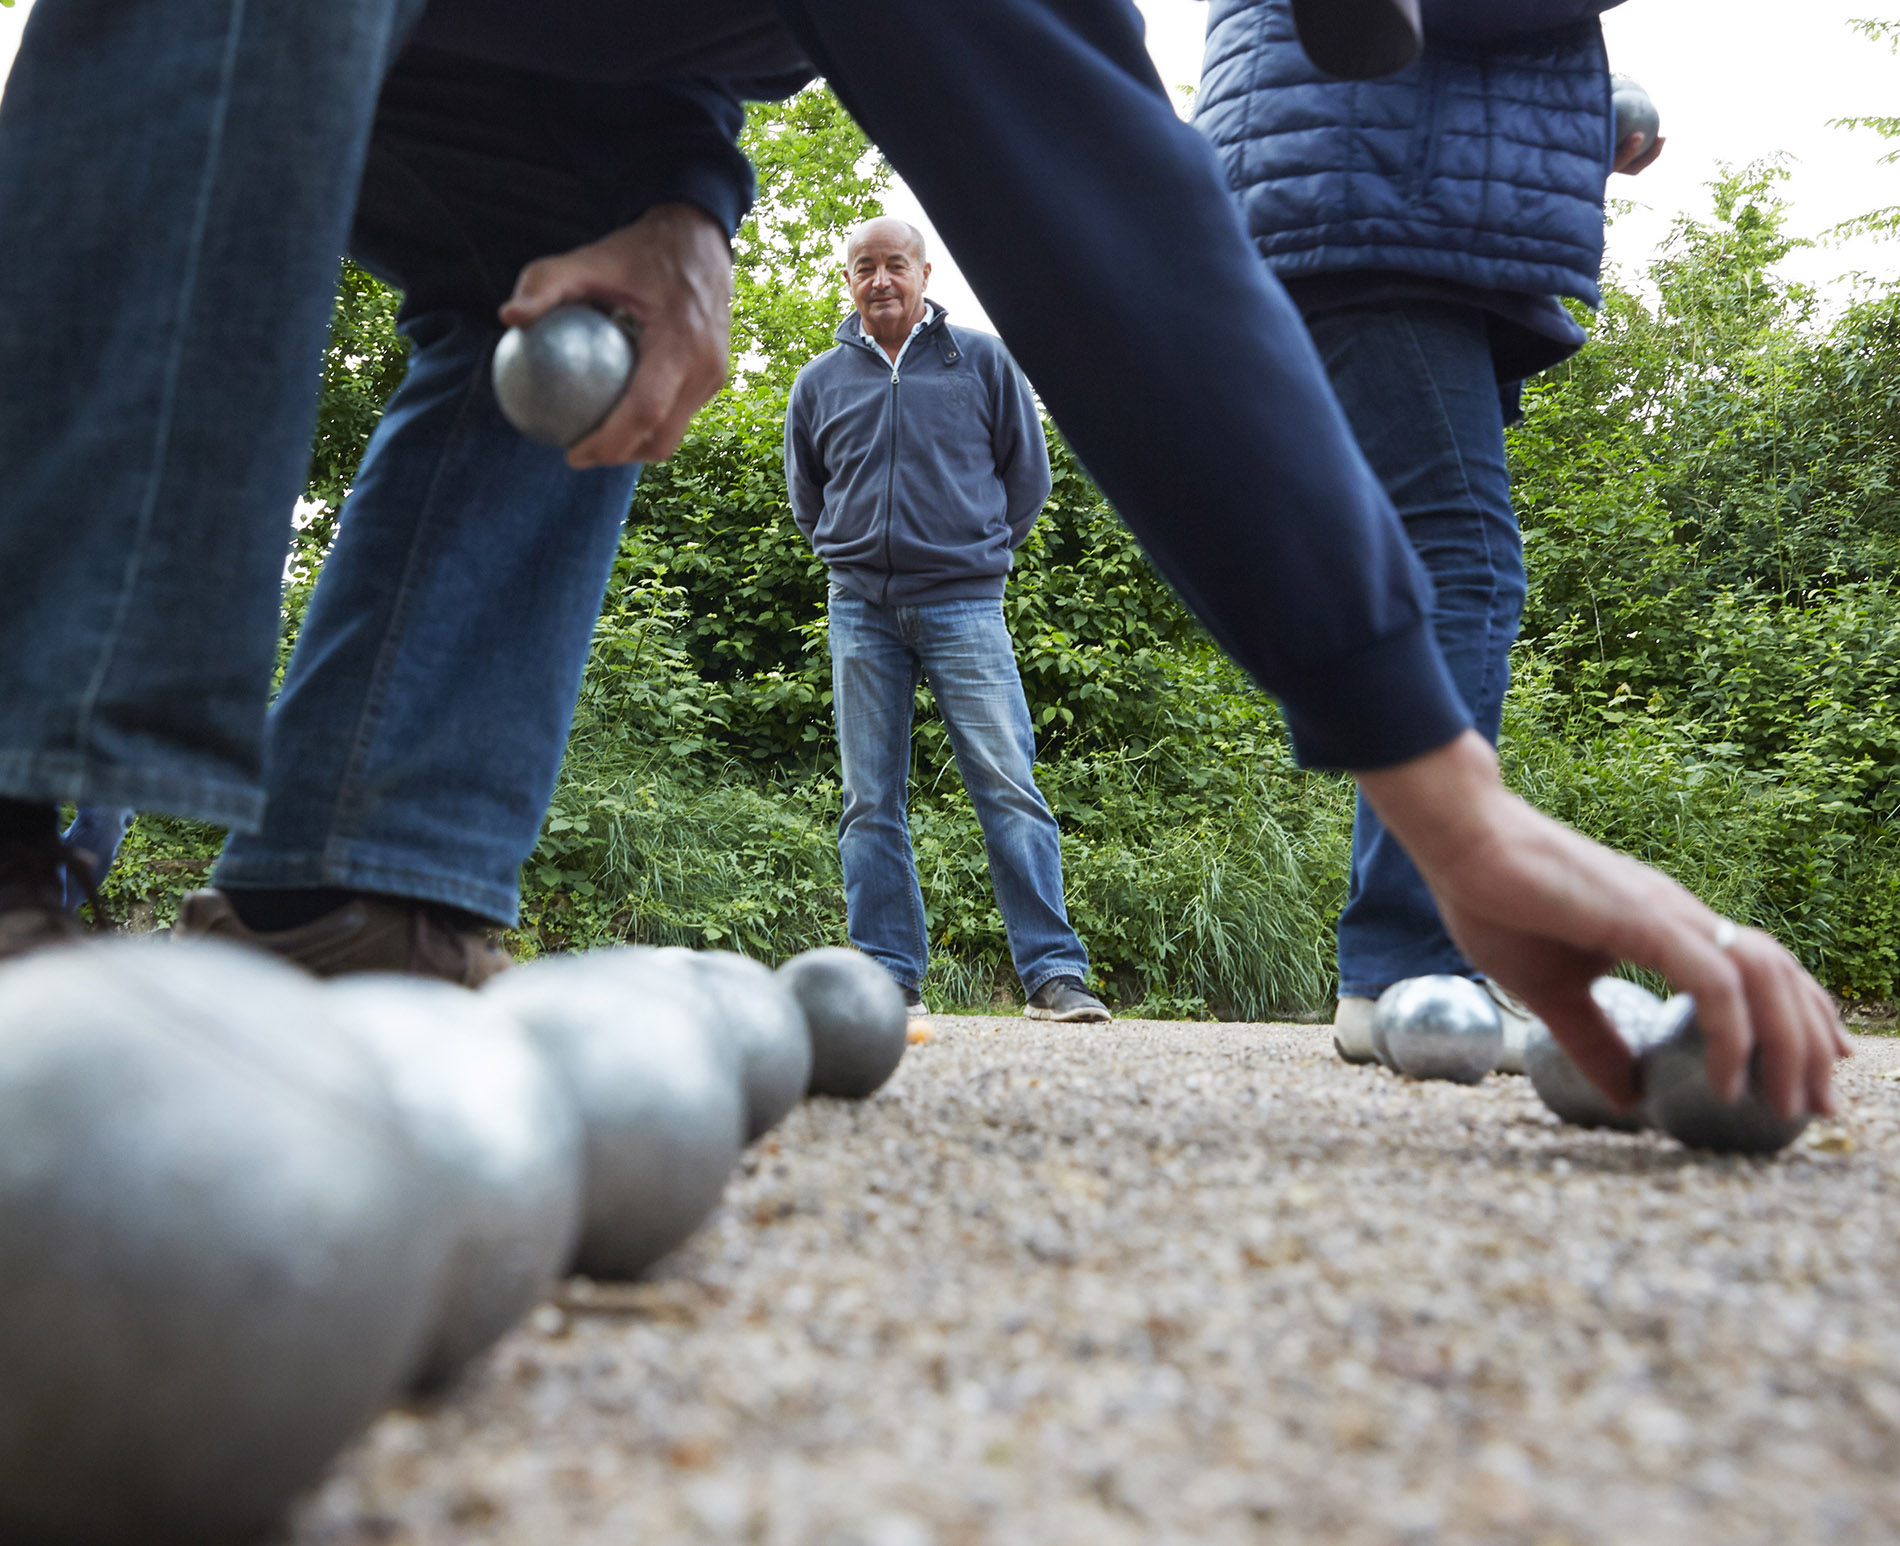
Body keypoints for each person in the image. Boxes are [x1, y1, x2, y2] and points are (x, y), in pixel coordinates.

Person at [0, 0, 1845, 1119]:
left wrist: (687, 204)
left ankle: (357, 879)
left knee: (591, 292)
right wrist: (1456, 804)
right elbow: (1106, 215)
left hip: (535, 84)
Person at [1196, 0, 1669, 1068]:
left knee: (1426, 566)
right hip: (1367, 211)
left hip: (1378, 204)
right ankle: (1409, 954)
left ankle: (1401, 954)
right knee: (1462, 564)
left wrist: (1592, 105)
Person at [786, 217, 1110, 1023]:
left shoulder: (985, 361)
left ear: (926, 273)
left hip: (965, 603)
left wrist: (974, 547)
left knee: (1007, 786)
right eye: (865, 268)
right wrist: (850, 552)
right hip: (861, 608)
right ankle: (888, 978)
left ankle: (1053, 976)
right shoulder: (818, 383)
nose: (881, 280)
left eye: (895, 264)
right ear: (851, 281)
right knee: (869, 800)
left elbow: (1024, 479)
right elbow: (808, 496)